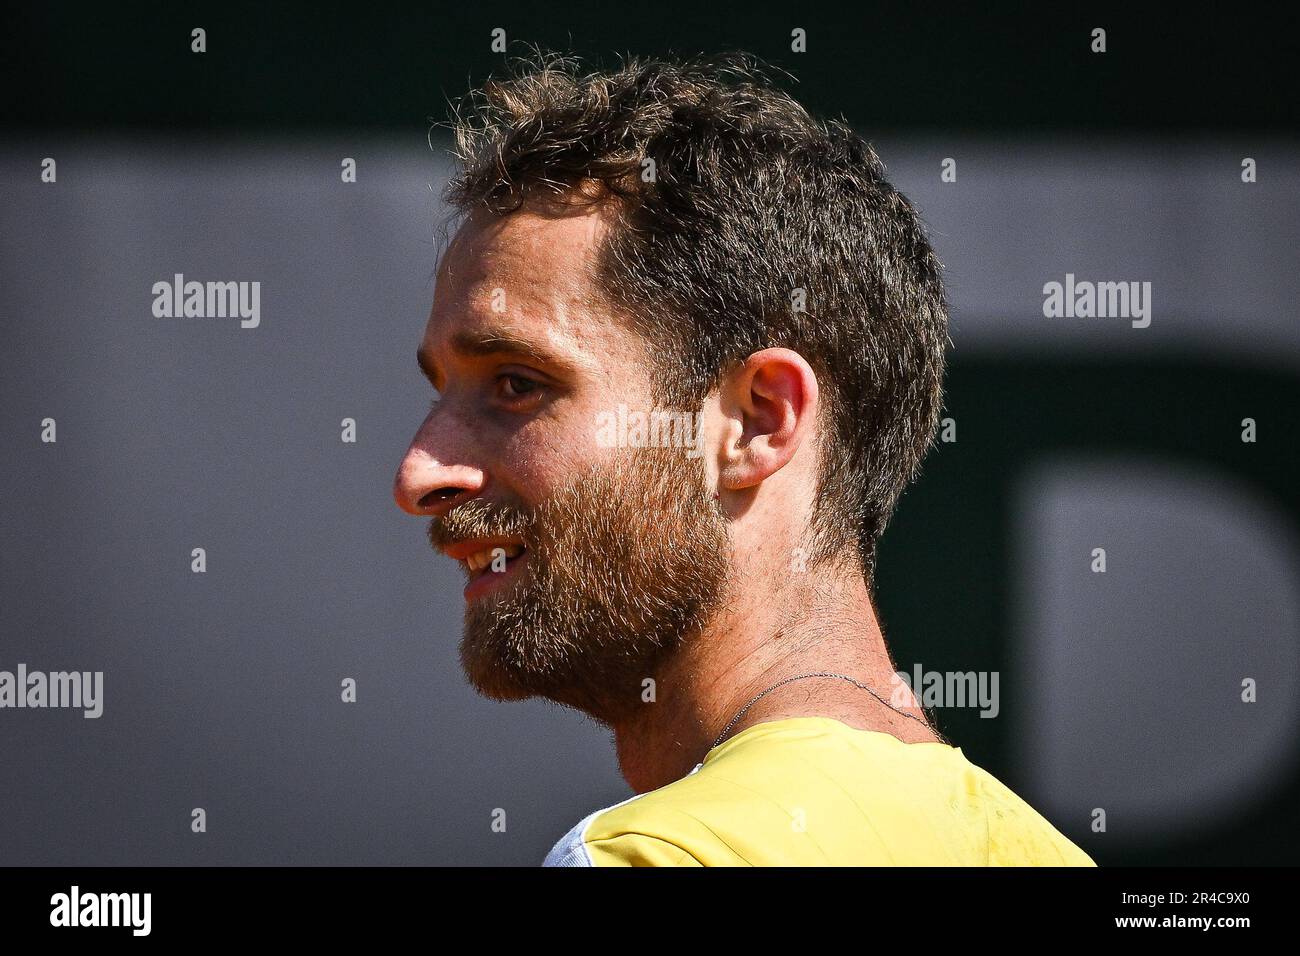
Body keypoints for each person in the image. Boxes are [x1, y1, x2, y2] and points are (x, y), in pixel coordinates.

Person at [394, 52, 1095, 867]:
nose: (419, 474)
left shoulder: (647, 858)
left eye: (517, 384)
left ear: (759, 421)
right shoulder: (1047, 858)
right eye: (440, 391)